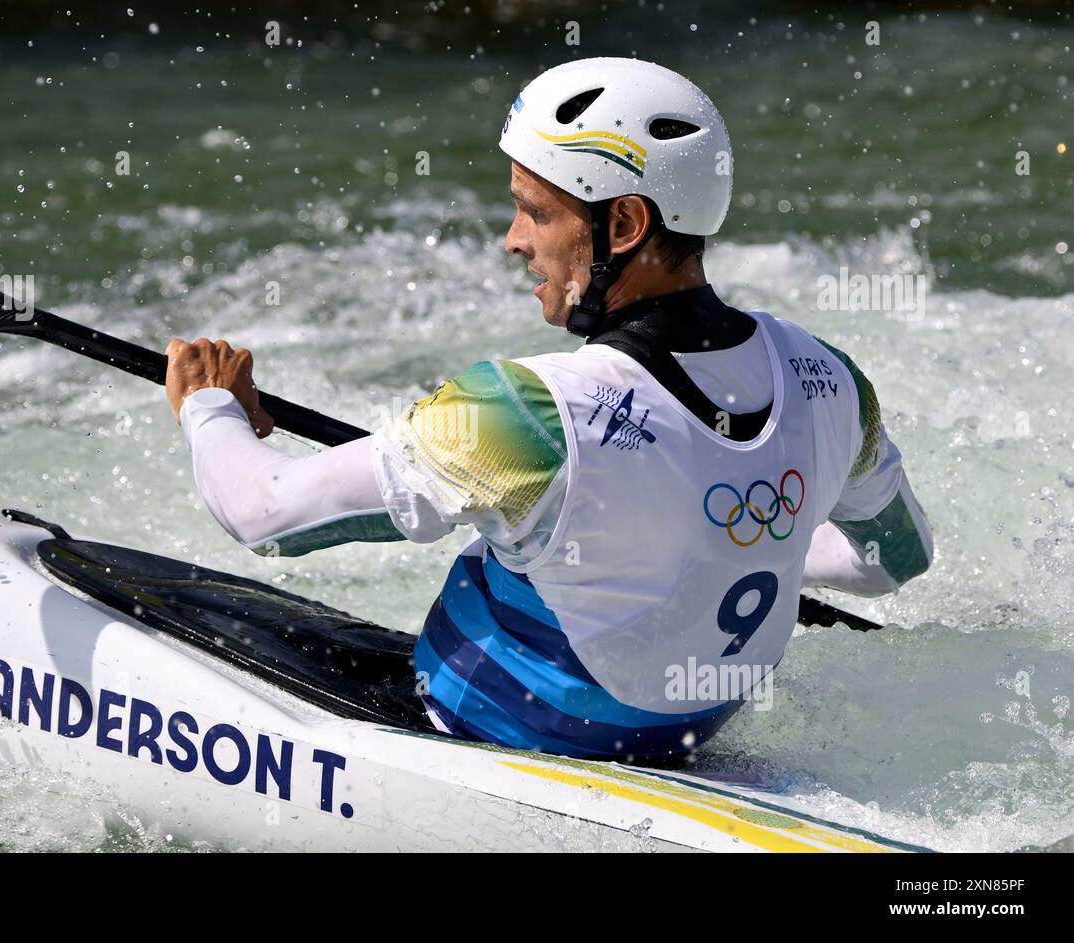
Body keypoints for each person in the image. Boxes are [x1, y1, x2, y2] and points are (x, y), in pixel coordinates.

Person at [163, 58, 933, 762]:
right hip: (681, 754)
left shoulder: (523, 414)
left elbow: (262, 515)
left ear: (625, 224)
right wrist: (741, 548)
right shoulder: (831, 382)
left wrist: (208, 405)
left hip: (474, 738)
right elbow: (895, 558)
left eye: (535, 211)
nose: (512, 240)